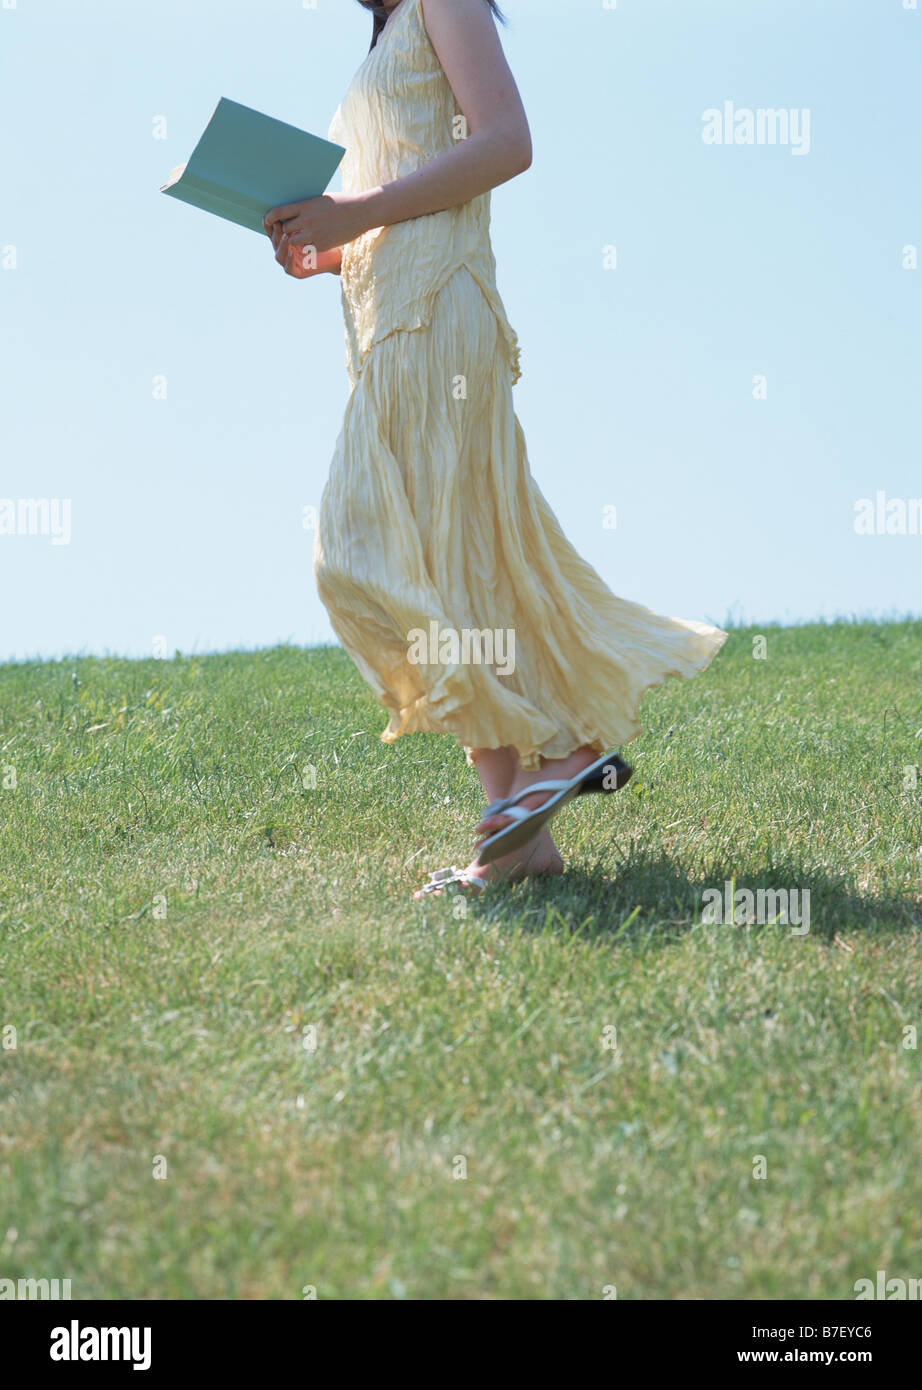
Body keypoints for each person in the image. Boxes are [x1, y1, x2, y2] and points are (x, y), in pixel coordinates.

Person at [263, 0, 726, 896]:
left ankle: (575, 747)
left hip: (439, 307)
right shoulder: (386, 28)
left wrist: (354, 210)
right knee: (455, 560)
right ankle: (518, 846)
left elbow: (507, 142)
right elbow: (403, 186)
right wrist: (326, 245)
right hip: (387, 315)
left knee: (355, 554)